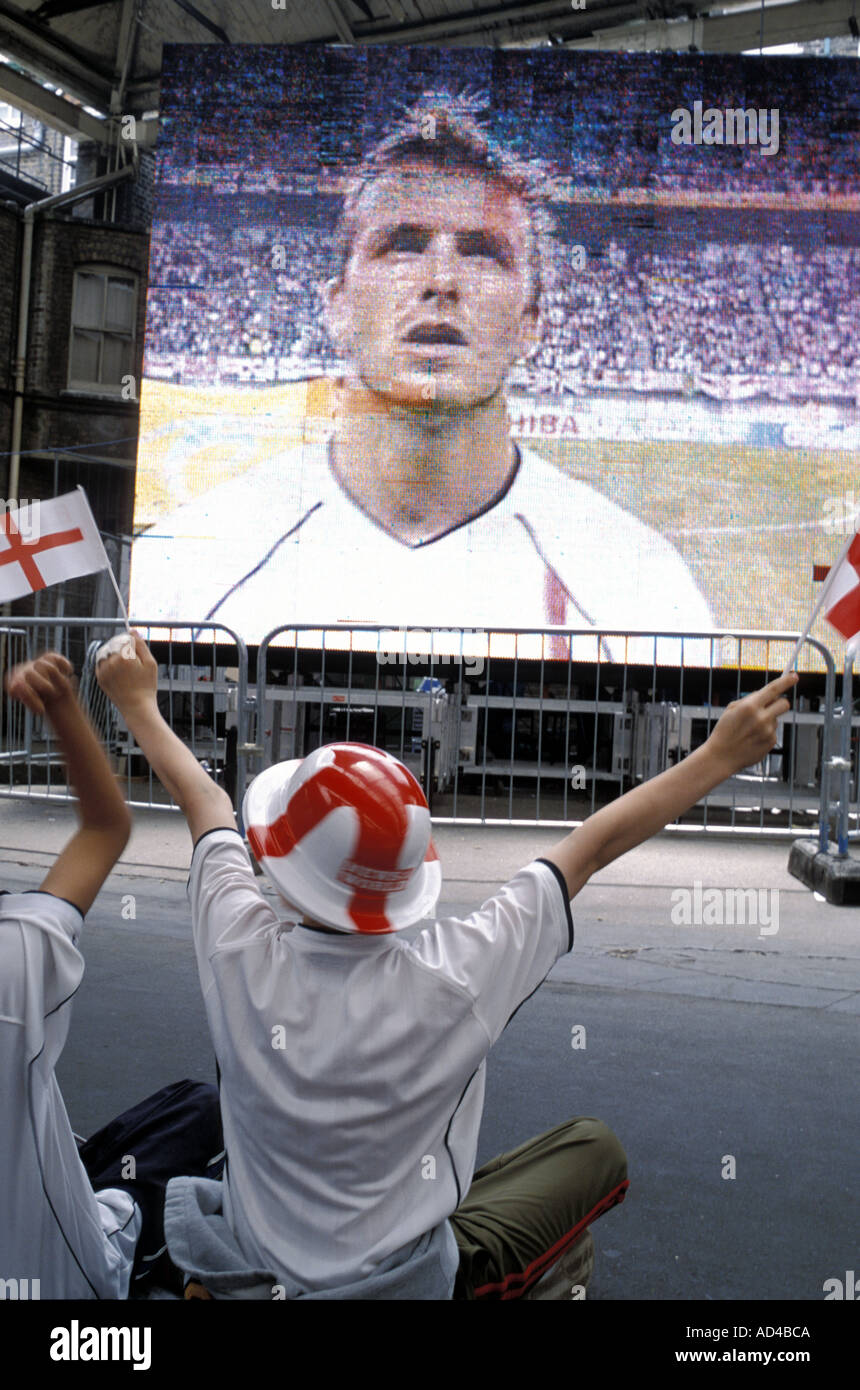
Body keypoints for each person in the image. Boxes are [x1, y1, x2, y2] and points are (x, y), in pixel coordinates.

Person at [96, 632, 796, 1299]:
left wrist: (138, 703)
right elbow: (588, 847)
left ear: (277, 862)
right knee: (593, 1147)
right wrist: (718, 756)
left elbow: (205, 801)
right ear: (408, 880)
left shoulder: (237, 947)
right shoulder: (458, 972)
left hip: (251, 1272)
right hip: (402, 1286)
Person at [130, 99, 715, 664]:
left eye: (484, 254)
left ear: (530, 325)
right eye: (403, 246)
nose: (441, 280)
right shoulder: (190, 561)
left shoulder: (640, 586)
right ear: (337, 307)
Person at [0, 649, 224, 1300]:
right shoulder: (14, 961)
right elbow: (107, 825)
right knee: (204, 1111)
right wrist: (67, 705)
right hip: (81, 1280)